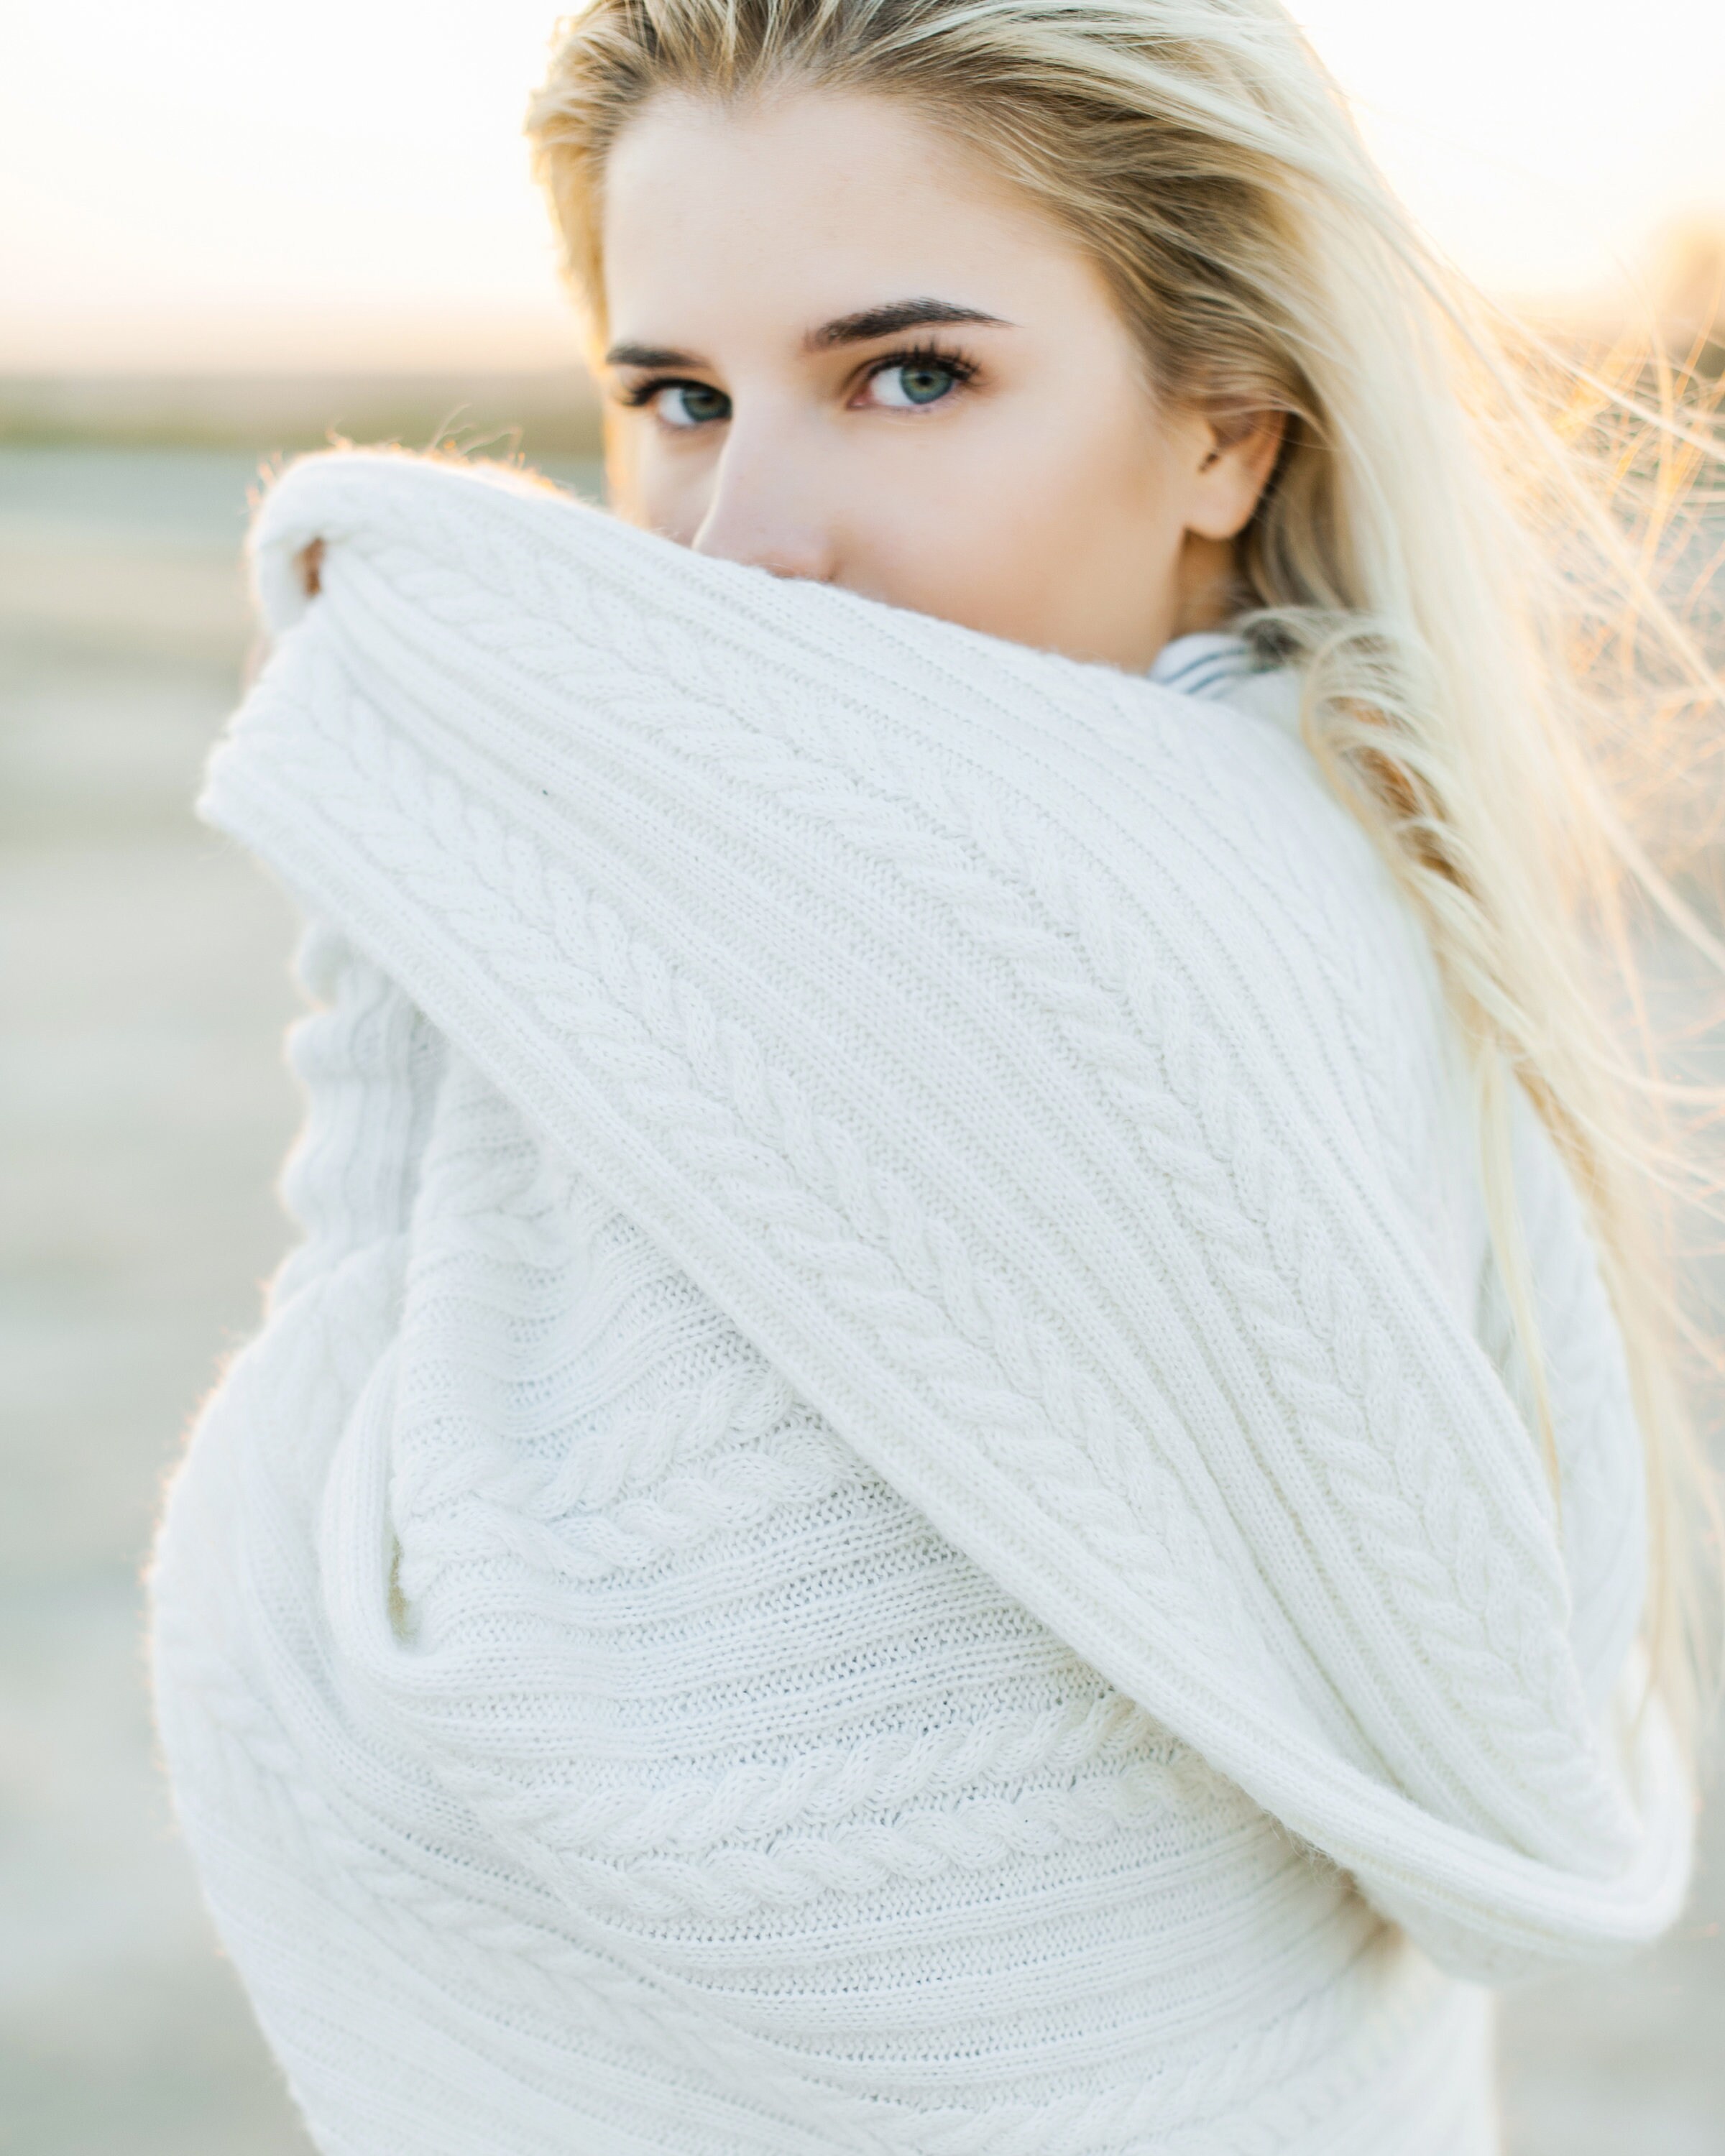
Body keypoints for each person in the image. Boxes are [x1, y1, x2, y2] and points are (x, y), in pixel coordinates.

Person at [148, 2, 1719, 2151]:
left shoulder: (1032, 946)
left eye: (911, 377)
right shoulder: (1370, 880)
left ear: (1227, 431)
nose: (744, 541)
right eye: (680, 400)